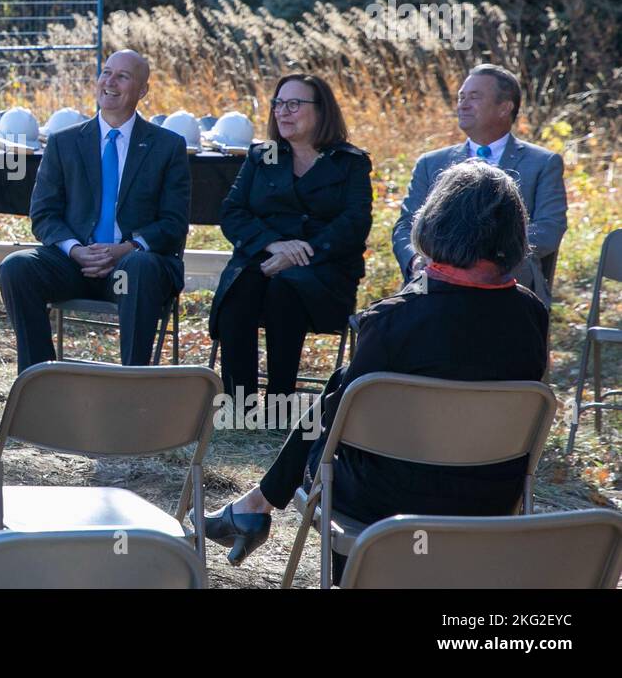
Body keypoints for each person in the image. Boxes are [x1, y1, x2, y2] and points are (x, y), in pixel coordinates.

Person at [203, 162, 548, 581]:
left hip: (382, 504)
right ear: (514, 237)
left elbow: (336, 428)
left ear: (434, 223)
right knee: (347, 384)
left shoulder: (394, 319)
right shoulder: (532, 313)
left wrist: (416, 290)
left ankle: (257, 505)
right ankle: (254, 506)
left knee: (343, 393)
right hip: (489, 497)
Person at [0, 49, 191, 371]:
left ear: (142, 91)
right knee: (16, 267)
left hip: (127, 273)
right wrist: (75, 251)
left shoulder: (167, 146)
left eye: (122, 76)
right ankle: (40, 378)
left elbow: (174, 223)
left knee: (138, 268)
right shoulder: (64, 142)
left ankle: (133, 382)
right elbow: (44, 214)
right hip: (74, 267)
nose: (109, 82)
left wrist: (125, 250)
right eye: (106, 72)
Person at [210, 74, 372, 403]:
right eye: (278, 104)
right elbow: (232, 213)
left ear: (322, 111)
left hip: (324, 270)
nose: (283, 112)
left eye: (294, 104)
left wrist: (303, 251)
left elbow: (355, 224)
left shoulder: (349, 162)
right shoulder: (264, 156)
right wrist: (274, 244)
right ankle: (239, 402)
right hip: (263, 257)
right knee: (241, 285)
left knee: (287, 287)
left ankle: (278, 402)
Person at [393, 63, 566, 306]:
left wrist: (485, 257)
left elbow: (550, 228)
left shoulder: (542, 163)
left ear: (505, 107)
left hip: (507, 278)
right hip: (434, 277)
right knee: (407, 308)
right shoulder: (431, 163)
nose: (462, 104)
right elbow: (405, 225)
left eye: (474, 97)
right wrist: (415, 261)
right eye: (461, 97)